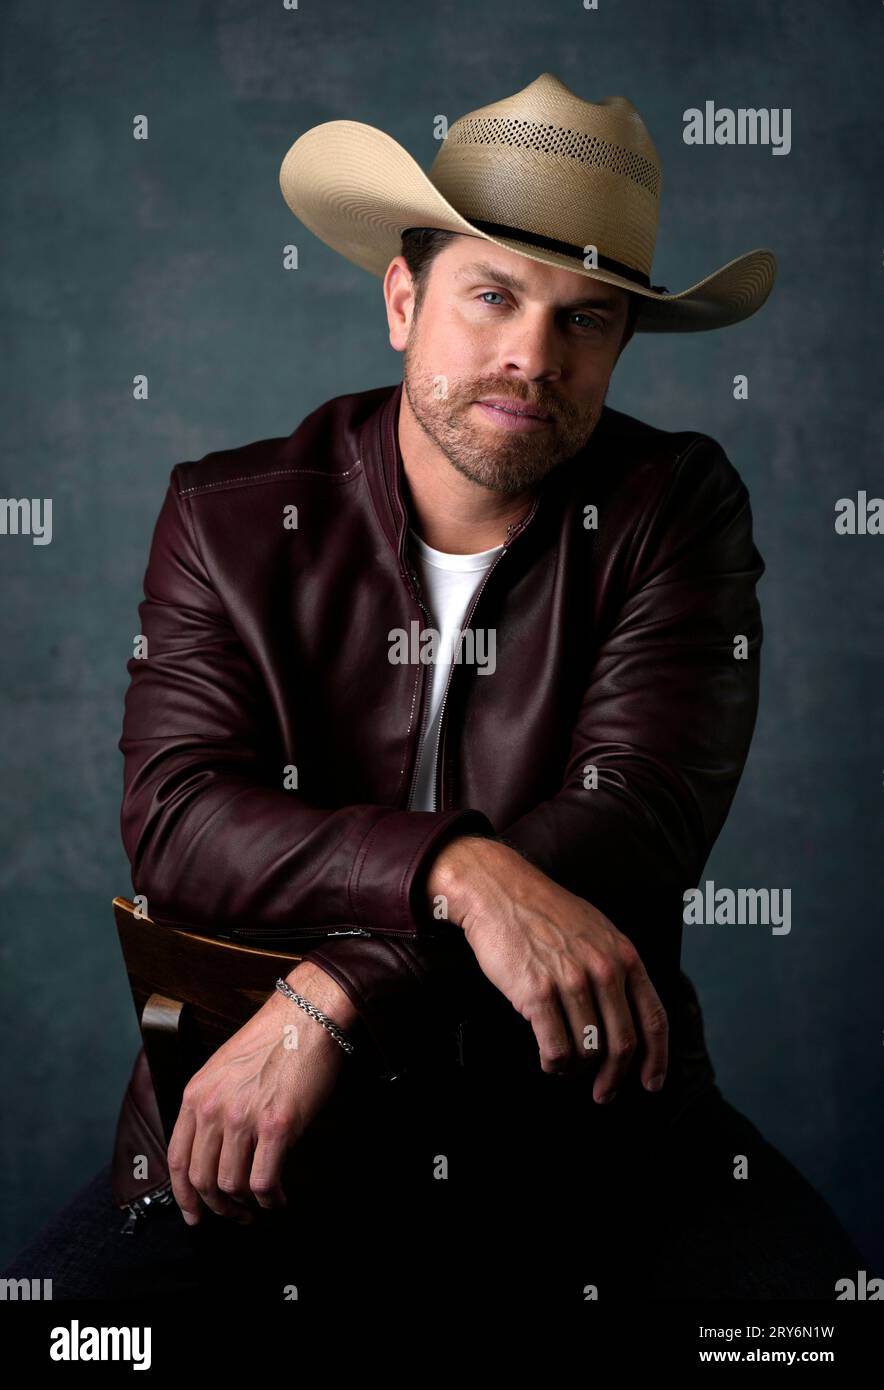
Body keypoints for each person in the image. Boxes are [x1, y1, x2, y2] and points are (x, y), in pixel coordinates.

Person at [2, 72, 868, 1303]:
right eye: (492, 295)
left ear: (619, 346)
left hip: (587, 1128)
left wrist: (336, 989)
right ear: (402, 301)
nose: (531, 356)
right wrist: (460, 870)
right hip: (253, 1136)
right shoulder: (227, 516)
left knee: (818, 1325)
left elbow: (638, 818)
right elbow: (181, 821)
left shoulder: (670, 506)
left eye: (584, 319)